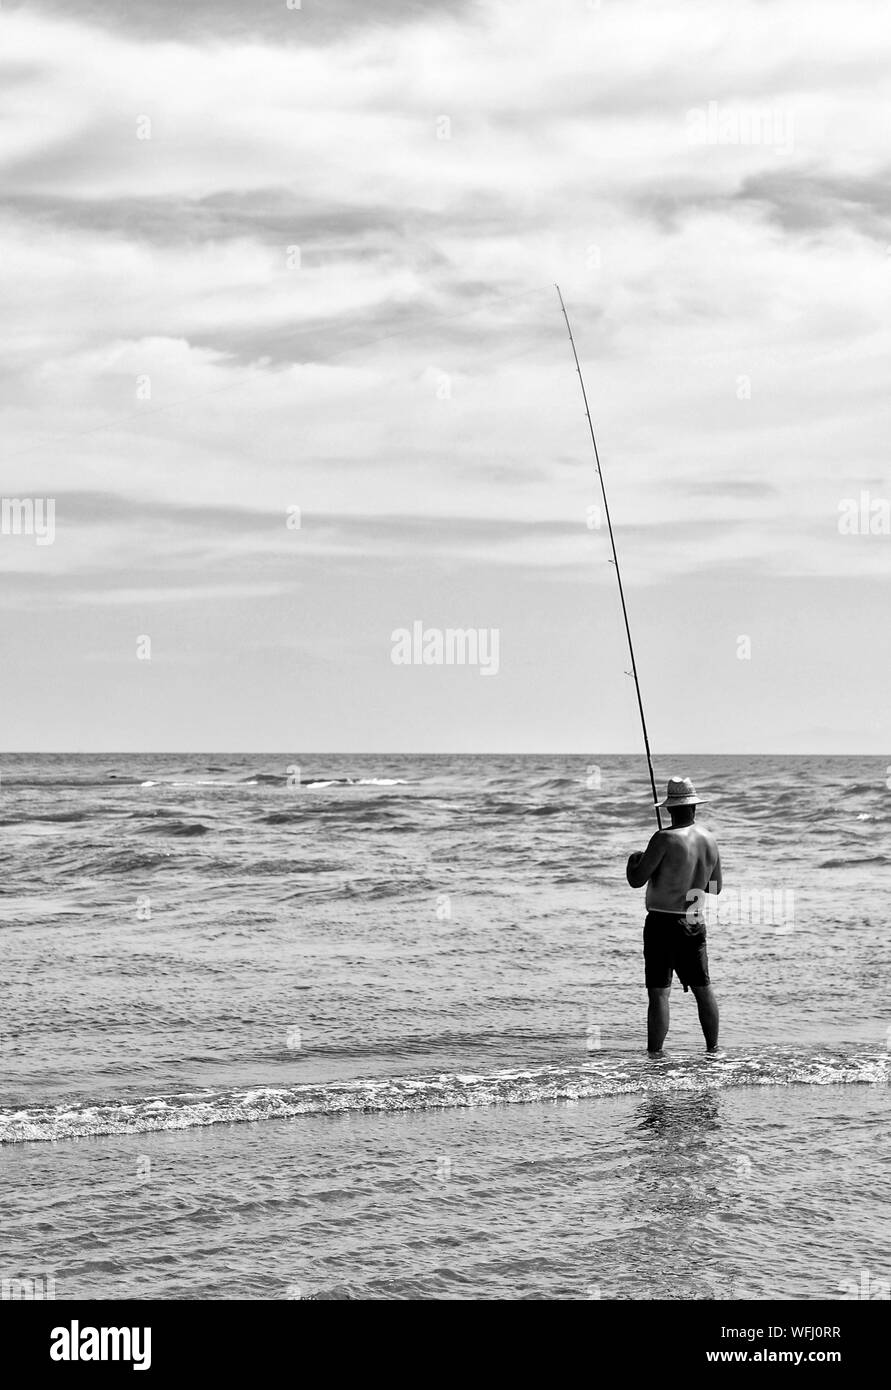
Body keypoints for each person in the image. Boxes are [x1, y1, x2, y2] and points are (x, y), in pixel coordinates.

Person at [626, 777, 722, 1056]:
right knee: (703, 990)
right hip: (694, 921)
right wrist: (689, 874)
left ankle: (655, 1056)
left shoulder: (663, 838)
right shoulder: (709, 839)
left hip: (662, 924)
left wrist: (634, 860)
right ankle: (712, 1051)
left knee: (659, 993)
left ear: (669, 809)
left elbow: (636, 879)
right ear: (694, 807)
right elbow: (714, 888)